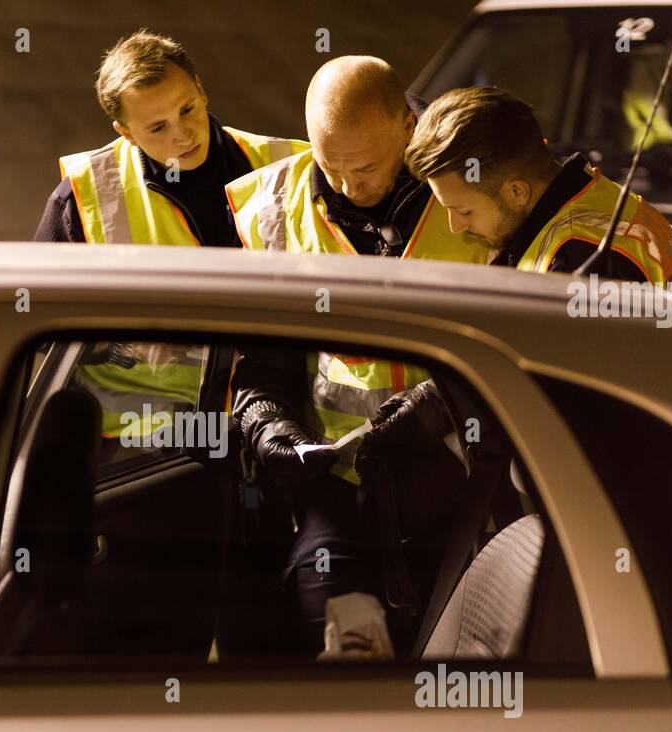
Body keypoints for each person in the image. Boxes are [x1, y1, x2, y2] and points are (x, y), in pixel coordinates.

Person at [228, 58, 484, 658]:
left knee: (457, 673)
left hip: (458, 481)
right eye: (330, 165)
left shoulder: (469, 191)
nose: (347, 186)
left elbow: (519, 342)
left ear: (406, 126)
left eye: (365, 167)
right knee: (344, 661)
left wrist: (439, 404)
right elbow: (260, 359)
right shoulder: (271, 207)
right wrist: (268, 426)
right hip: (338, 488)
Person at [35, 30, 307, 454]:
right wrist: (119, 346)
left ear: (201, 88)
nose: (182, 135)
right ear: (124, 131)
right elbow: (37, 319)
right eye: (158, 127)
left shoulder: (286, 166)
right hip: (146, 449)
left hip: (271, 424)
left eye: (187, 109)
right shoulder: (84, 198)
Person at [403, 85, 672, 292]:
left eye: (463, 210)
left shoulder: (582, 261)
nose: (456, 226)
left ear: (517, 192)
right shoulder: (593, 201)